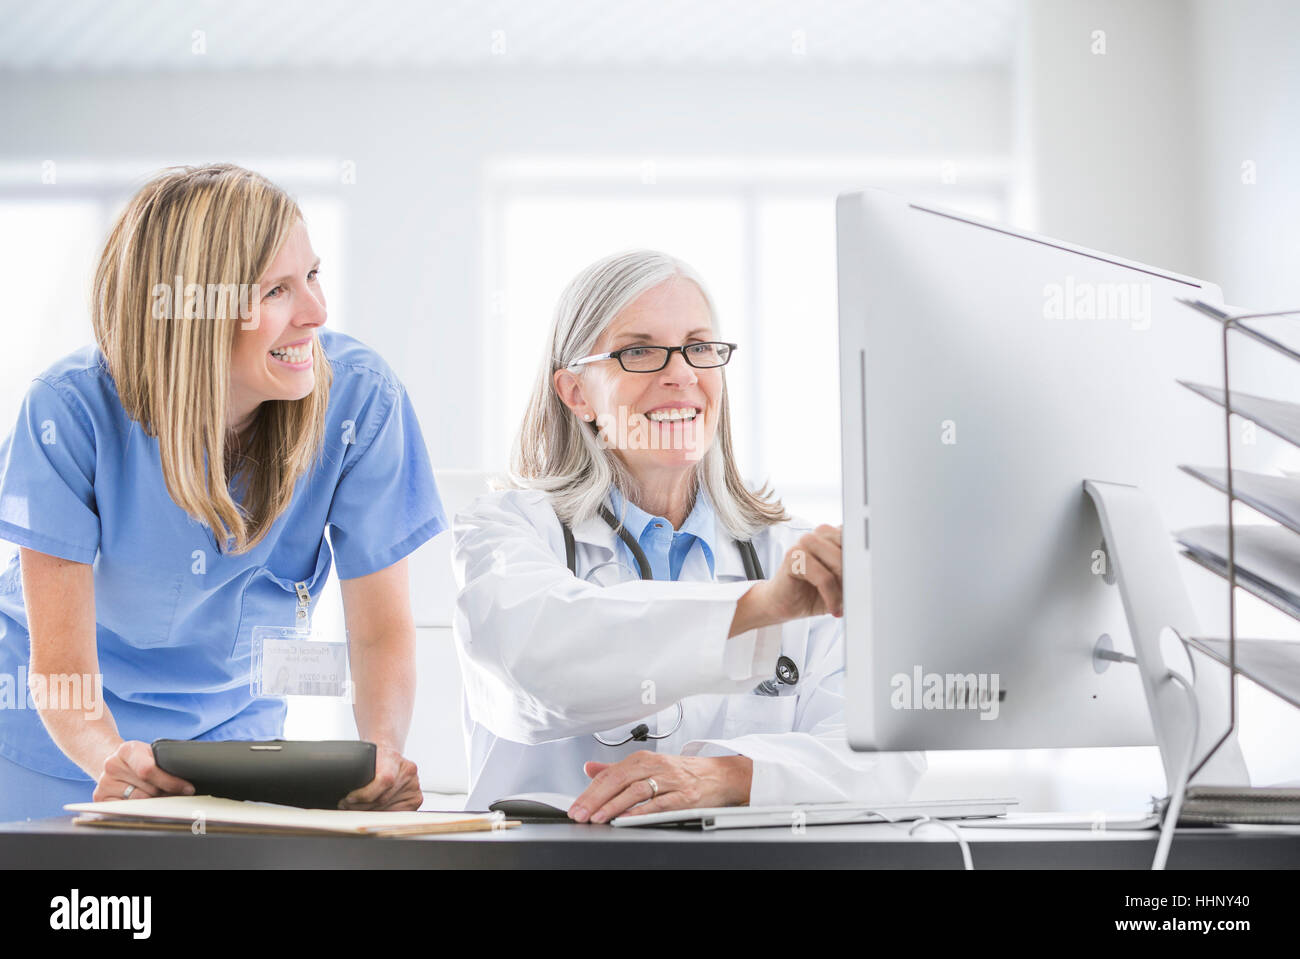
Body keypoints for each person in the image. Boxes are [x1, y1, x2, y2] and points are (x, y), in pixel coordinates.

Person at [0, 164, 445, 820]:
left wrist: (378, 755)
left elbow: (379, 630)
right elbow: (61, 665)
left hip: (231, 733)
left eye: (313, 276)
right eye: (277, 291)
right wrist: (109, 755)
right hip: (53, 741)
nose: (317, 313)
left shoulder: (359, 402)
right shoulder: (68, 411)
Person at [452, 249, 925, 821]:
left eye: (700, 347)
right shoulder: (506, 530)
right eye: (640, 351)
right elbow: (539, 659)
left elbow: (884, 755)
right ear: (577, 393)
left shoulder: (793, 554)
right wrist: (760, 606)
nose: (682, 374)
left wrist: (727, 776)